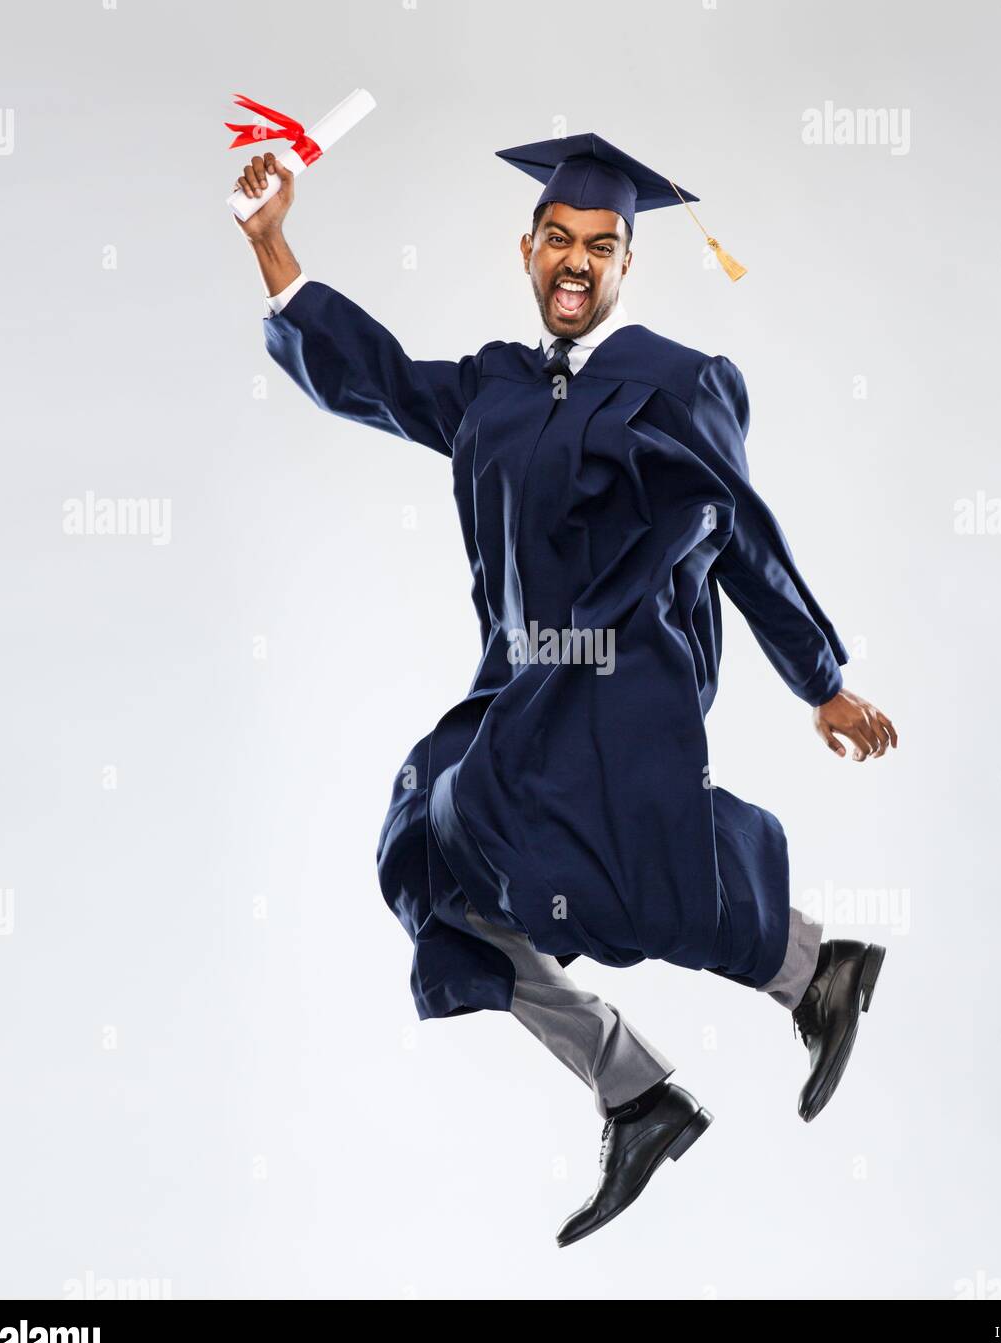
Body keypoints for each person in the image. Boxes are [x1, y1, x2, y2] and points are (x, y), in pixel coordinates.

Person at [234, 132, 897, 1247]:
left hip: (624, 663)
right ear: (528, 250)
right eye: (558, 240)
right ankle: (643, 1081)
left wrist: (820, 680)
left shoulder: (677, 380)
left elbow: (741, 531)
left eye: (601, 243)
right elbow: (379, 380)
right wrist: (272, 244)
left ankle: (808, 964)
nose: (576, 261)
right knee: (428, 857)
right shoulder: (495, 387)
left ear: (628, 263)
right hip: (521, 682)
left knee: (589, 851)